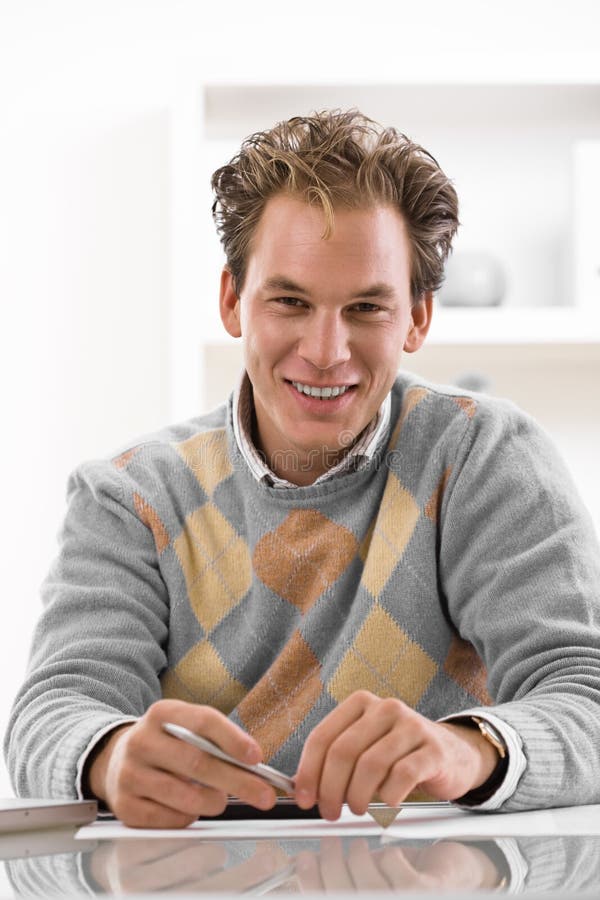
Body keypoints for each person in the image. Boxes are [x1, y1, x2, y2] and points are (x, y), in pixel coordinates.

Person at [5, 110, 600, 829]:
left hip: (430, 870)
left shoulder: (482, 458)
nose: (325, 351)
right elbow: (54, 711)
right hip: (193, 875)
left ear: (417, 318)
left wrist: (463, 751)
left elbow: (586, 693)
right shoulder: (130, 496)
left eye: (367, 308)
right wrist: (109, 754)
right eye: (290, 301)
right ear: (233, 302)